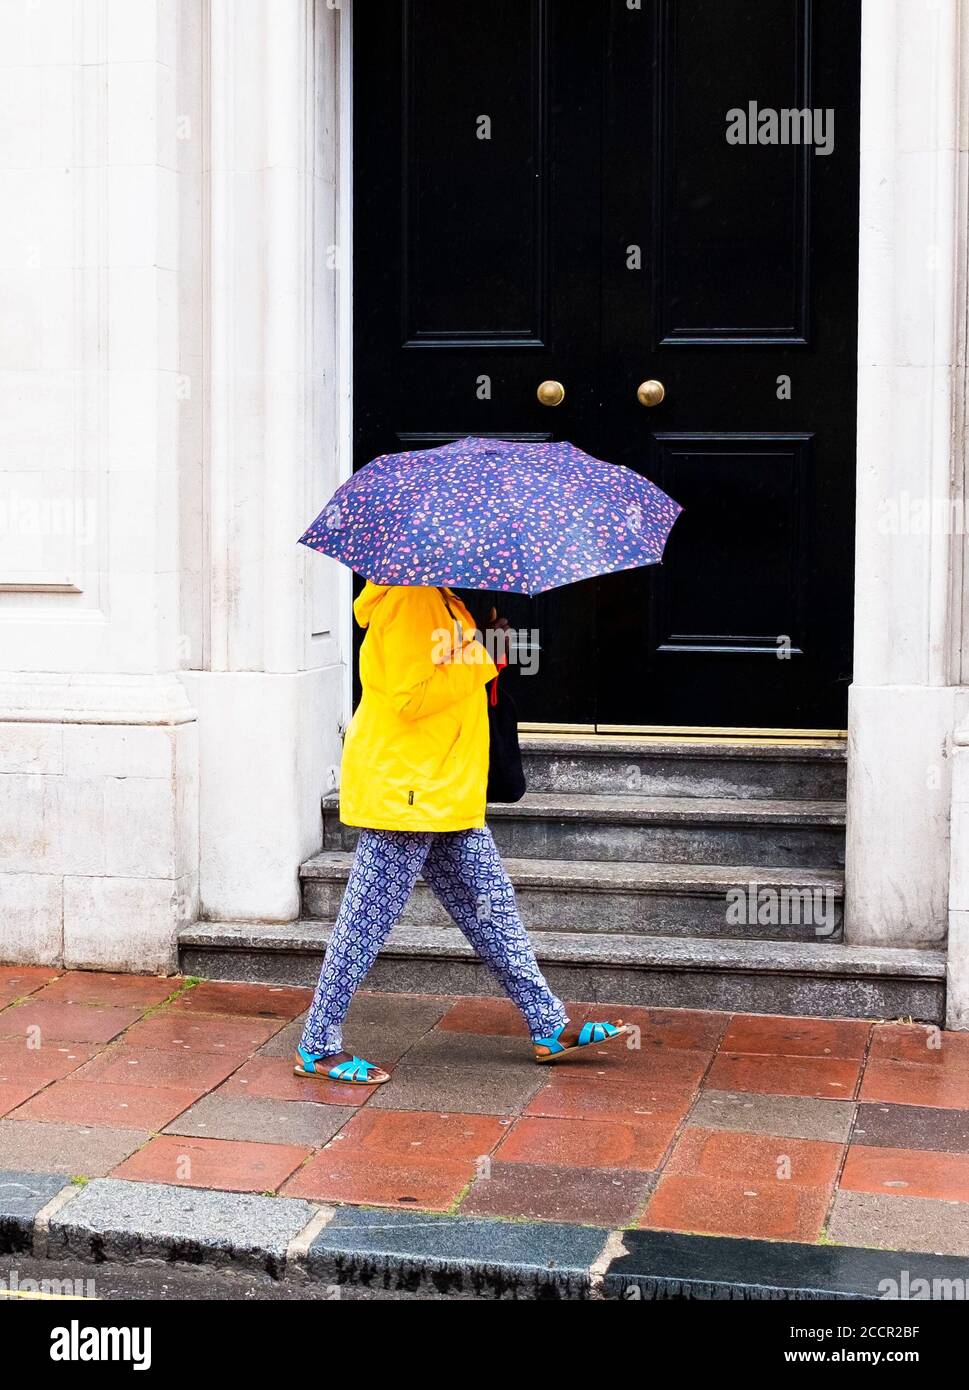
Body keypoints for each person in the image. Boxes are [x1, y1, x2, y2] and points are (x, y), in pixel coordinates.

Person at [294, 581, 627, 1085]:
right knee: (366, 923)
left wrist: (482, 643)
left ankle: (549, 1024)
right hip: (408, 792)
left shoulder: (446, 599)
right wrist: (483, 655)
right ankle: (317, 1045)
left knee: (493, 908)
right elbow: (410, 697)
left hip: (446, 789)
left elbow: (450, 677)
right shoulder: (411, 599)